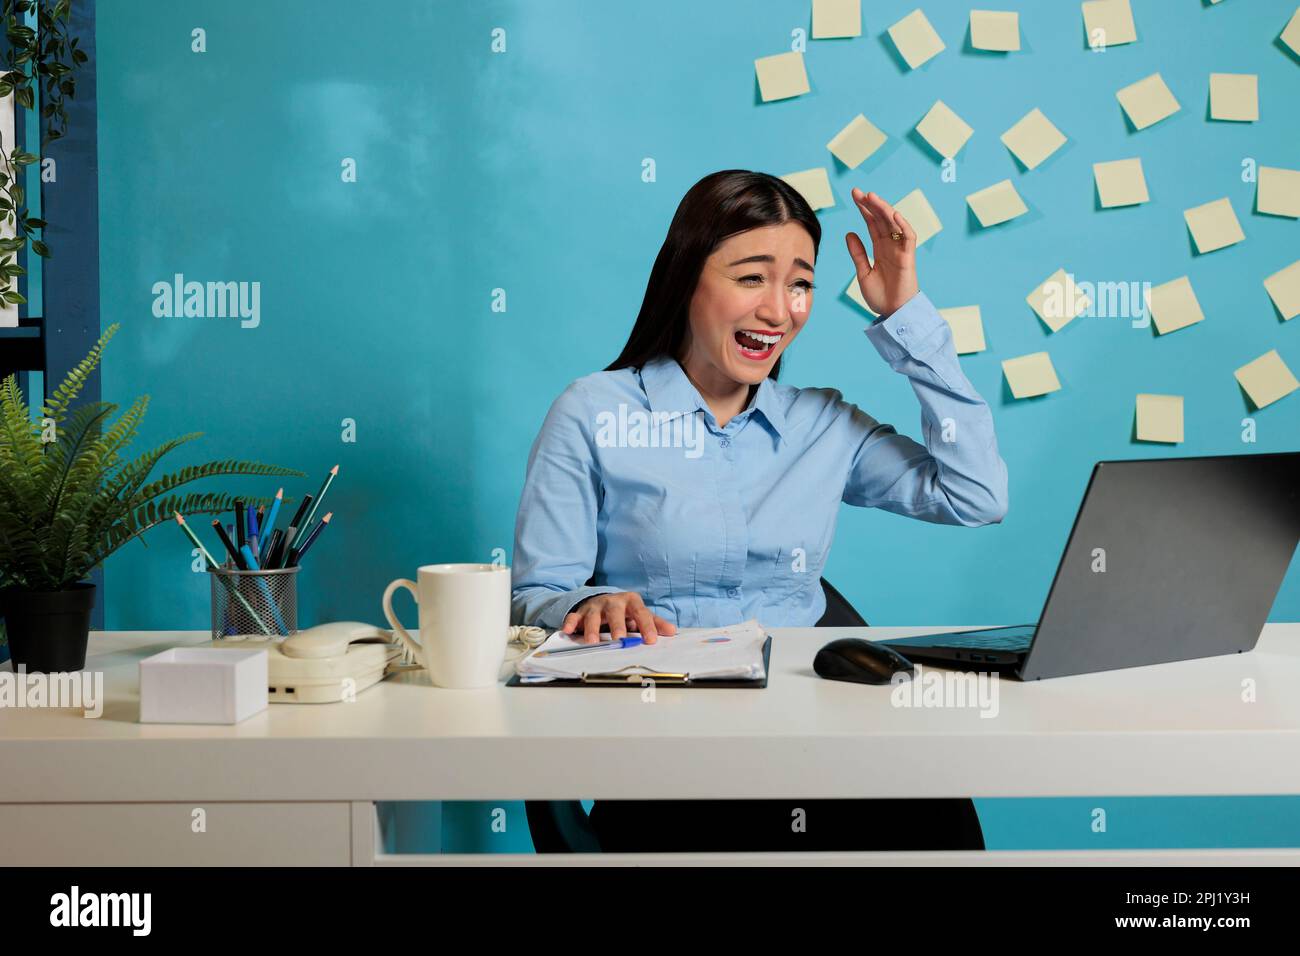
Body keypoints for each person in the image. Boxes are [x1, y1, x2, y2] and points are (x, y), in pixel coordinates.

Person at [510, 170, 1009, 852]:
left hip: (819, 741)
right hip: (666, 751)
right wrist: (595, 601)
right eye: (752, 278)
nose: (780, 310)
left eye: (800, 283)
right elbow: (538, 592)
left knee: (935, 816)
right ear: (687, 278)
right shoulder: (593, 412)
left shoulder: (823, 425)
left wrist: (906, 317)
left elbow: (975, 496)